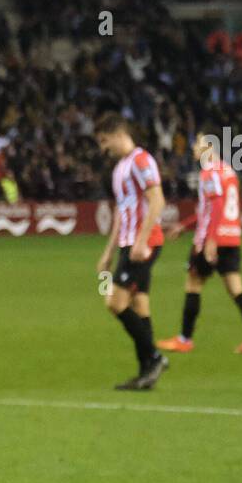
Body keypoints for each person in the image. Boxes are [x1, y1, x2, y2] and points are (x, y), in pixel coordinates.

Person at [158, 133, 242, 354]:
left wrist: (210, 241)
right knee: (236, 288)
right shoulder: (228, 171)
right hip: (232, 236)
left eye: (197, 144)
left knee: (193, 284)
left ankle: (184, 339)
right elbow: (215, 207)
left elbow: (215, 207)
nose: (194, 149)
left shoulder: (209, 172)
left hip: (212, 238)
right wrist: (184, 225)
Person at [94, 113, 168, 391]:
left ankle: (155, 357)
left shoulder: (141, 160)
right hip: (128, 242)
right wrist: (108, 252)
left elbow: (157, 200)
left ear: (117, 134)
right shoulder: (120, 169)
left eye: (104, 141)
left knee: (114, 302)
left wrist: (142, 240)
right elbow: (121, 215)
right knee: (140, 306)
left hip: (142, 244)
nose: (103, 148)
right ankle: (146, 373)